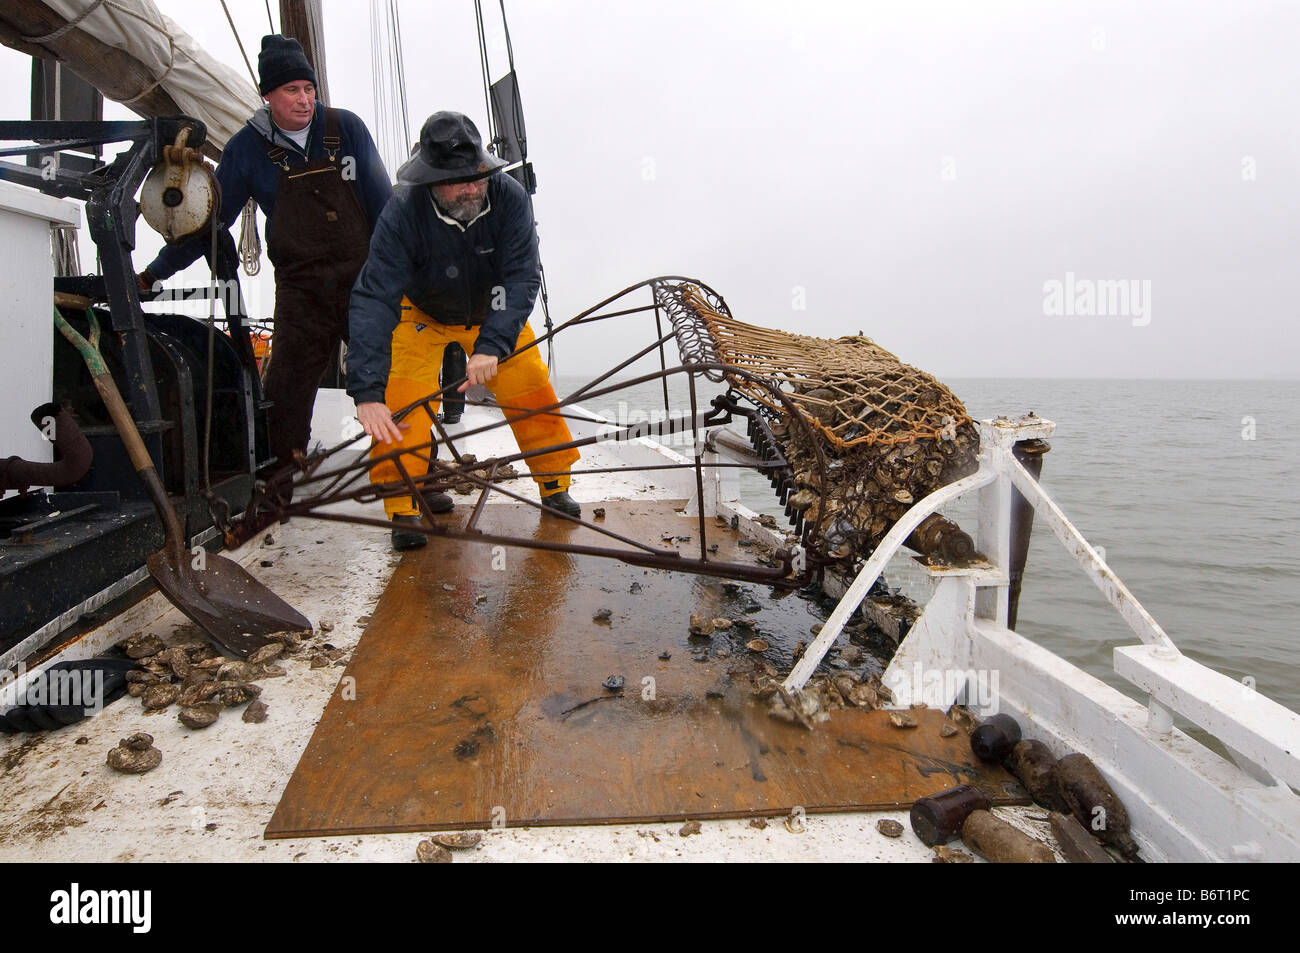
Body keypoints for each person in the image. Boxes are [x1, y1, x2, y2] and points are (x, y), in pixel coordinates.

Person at [136, 35, 394, 503]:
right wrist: (155, 273)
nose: (304, 99)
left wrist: (400, 277)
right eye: (292, 90)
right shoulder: (246, 150)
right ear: (268, 96)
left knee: (391, 380)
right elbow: (208, 224)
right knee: (287, 392)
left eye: (309, 89)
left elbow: (385, 207)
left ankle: (414, 475)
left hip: (365, 284)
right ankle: (276, 492)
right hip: (302, 291)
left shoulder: (346, 129)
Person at [347, 111, 580, 551]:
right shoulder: (401, 212)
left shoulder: (510, 199)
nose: (473, 187)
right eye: (459, 181)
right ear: (432, 182)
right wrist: (366, 392)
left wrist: (493, 345)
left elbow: (522, 277)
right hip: (421, 313)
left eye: (477, 176)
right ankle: (402, 507)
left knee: (530, 384)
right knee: (401, 404)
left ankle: (554, 485)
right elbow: (374, 298)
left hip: (492, 313)